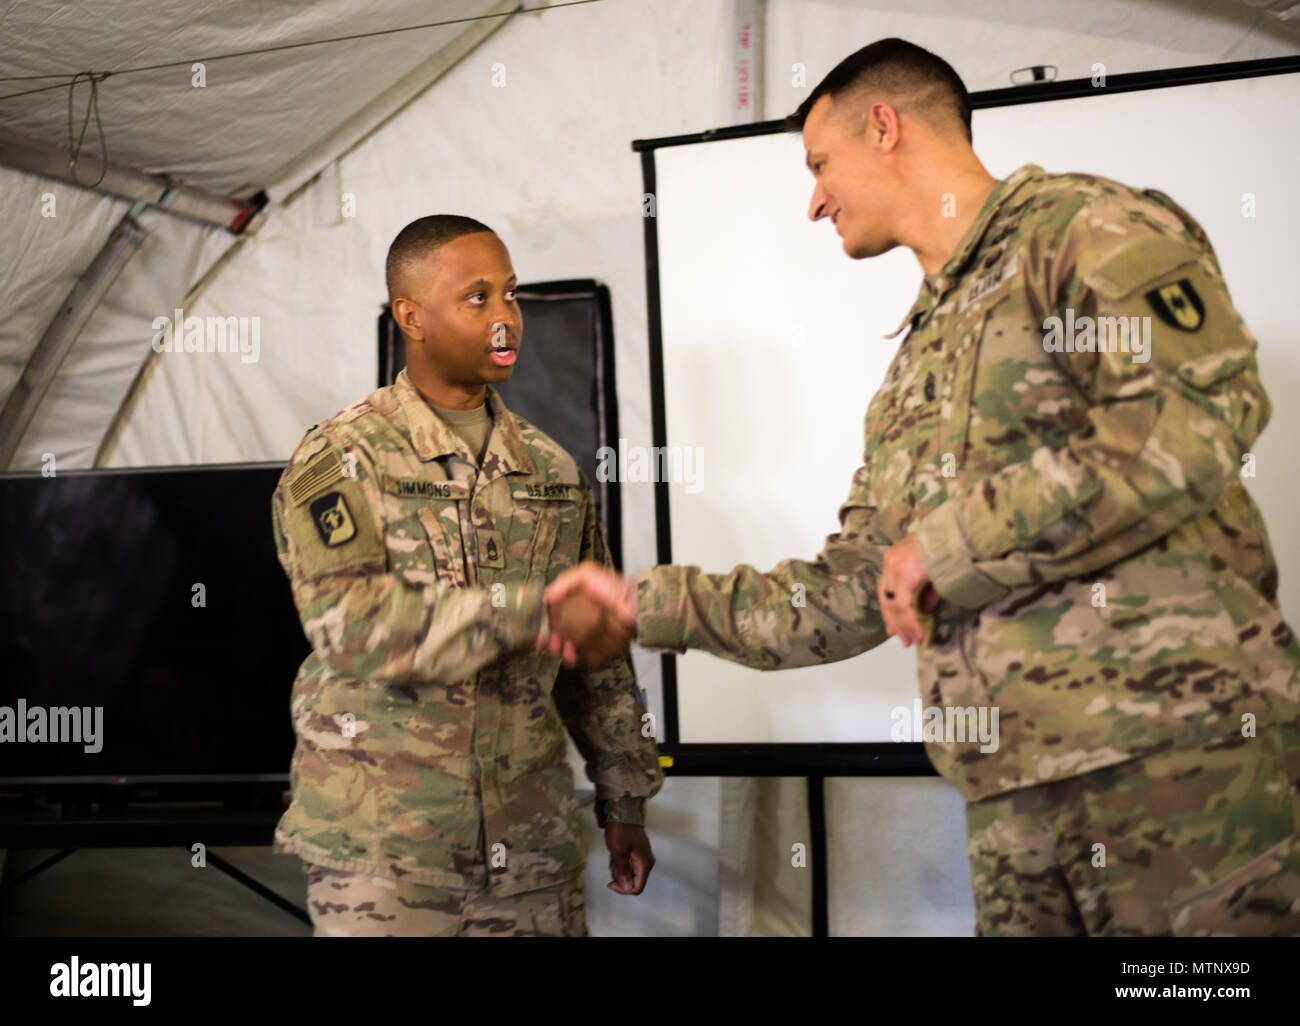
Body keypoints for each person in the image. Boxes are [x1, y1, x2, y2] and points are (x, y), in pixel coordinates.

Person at [541, 39, 1300, 936]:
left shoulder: (1083, 230)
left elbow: (1196, 413)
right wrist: (643, 606)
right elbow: (855, 591)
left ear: (885, 125)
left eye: (820, 164)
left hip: (1172, 762)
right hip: (1011, 791)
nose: (815, 198)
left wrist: (949, 545)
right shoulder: (913, 370)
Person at [271, 214, 661, 936]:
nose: (506, 318)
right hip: (386, 857)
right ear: (411, 317)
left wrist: (624, 800)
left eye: (511, 296)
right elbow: (356, 629)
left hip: (531, 854)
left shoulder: (551, 470)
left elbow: (598, 656)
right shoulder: (343, 458)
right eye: (477, 298)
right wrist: (537, 614)